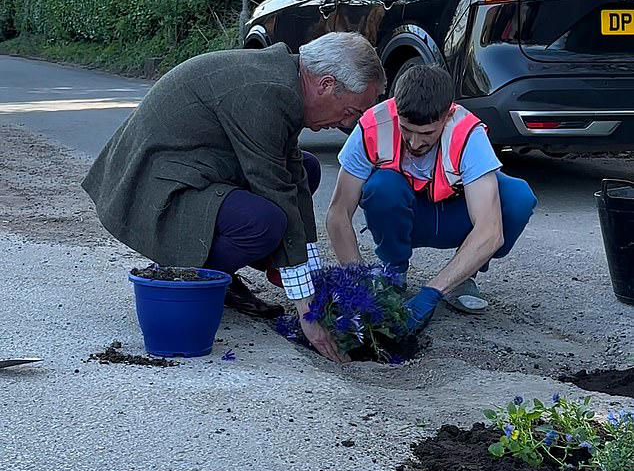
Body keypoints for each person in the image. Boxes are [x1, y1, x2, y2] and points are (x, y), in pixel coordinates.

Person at [82, 33, 386, 362]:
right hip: (152, 191)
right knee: (266, 222)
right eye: (351, 111)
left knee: (307, 169)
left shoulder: (288, 80)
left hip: (195, 170)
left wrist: (313, 279)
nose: (349, 124)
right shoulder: (263, 94)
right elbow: (277, 191)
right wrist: (308, 312)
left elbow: (294, 179)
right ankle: (195, 273)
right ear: (326, 85)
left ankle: (221, 274)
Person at [326, 63, 537, 330]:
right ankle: (393, 273)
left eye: (426, 133)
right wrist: (358, 284)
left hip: (454, 220)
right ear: (396, 110)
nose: (414, 143)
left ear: (447, 116)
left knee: (517, 198)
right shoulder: (373, 125)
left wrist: (432, 292)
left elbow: (491, 230)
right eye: (406, 129)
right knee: (382, 187)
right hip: (407, 217)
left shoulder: (467, 132)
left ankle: (462, 277)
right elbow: (338, 213)